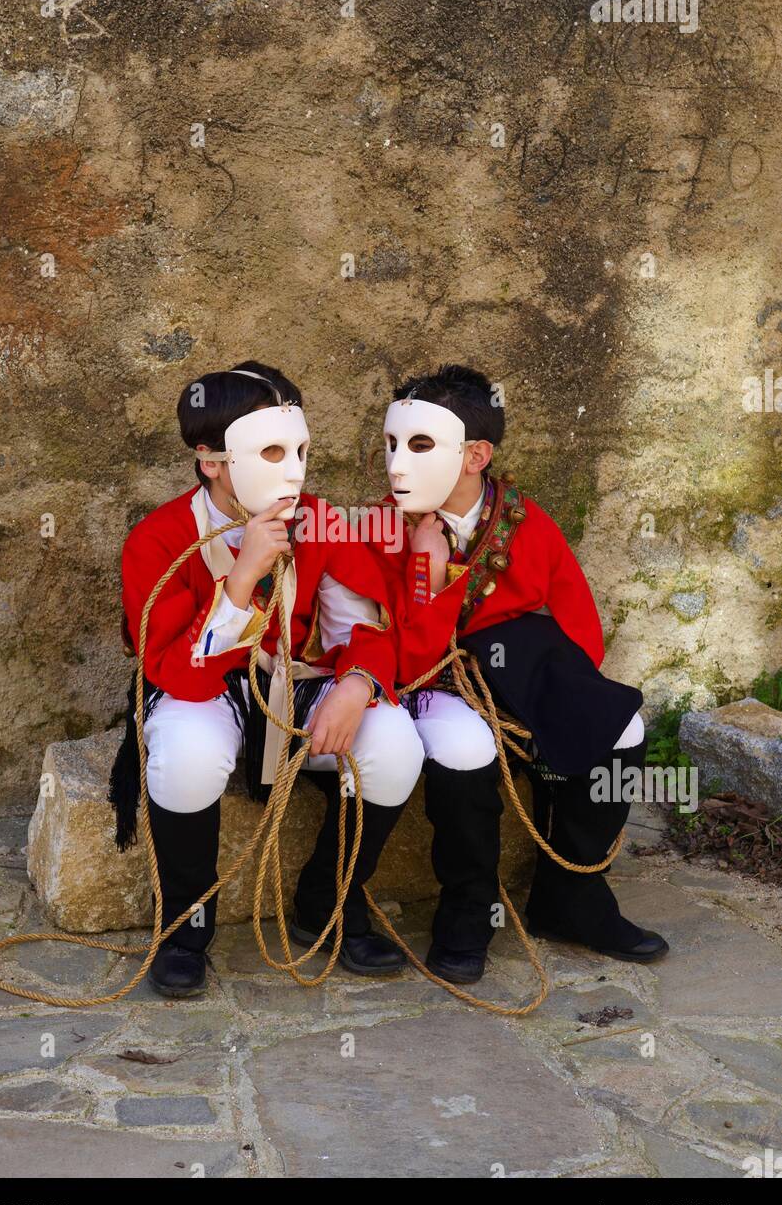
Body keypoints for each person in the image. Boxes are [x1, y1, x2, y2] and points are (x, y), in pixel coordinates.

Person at [110, 361, 423, 997]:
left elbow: (361, 629)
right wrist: (244, 577)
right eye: (271, 451)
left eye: (300, 449)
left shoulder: (321, 522)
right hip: (208, 682)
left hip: (294, 680)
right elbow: (177, 669)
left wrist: (357, 685)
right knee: (188, 753)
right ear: (212, 461)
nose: (293, 469)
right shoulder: (157, 539)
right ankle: (184, 928)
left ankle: (327, 899)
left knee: (395, 745)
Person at [373, 363, 668, 985]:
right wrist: (430, 572)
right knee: (464, 745)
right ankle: (468, 911)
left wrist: (559, 702)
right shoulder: (384, 533)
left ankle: (575, 896)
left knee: (622, 729)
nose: (398, 463)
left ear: (474, 454)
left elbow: (576, 616)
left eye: (420, 445)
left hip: (522, 671)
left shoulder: (525, 521)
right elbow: (408, 653)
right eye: (393, 444)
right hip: (435, 681)